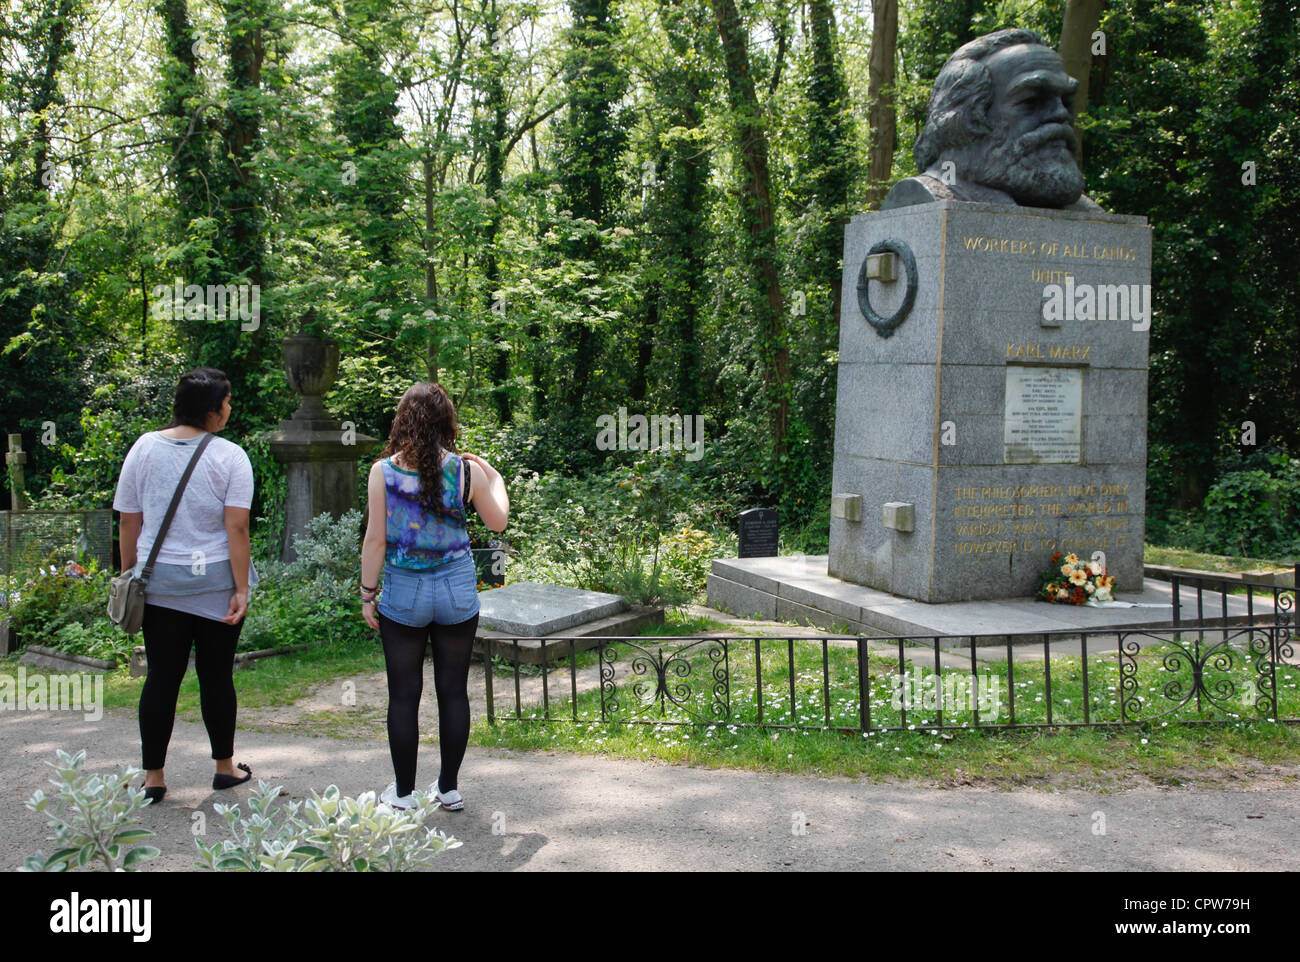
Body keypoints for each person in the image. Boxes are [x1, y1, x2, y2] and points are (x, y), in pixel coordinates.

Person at [361, 382, 509, 812]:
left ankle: (403, 794)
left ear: (403, 420)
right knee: (453, 692)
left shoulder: (383, 472)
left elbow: (375, 542)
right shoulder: (465, 471)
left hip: (404, 593)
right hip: (457, 590)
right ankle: (448, 789)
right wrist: (495, 477)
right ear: (447, 422)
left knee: (404, 695)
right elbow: (497, 522)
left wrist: (368, 594)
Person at [113, 367, 258, 804]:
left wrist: (130, 575)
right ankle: (223, 768)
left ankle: (154, 777)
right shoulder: (231, 456)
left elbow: (128, 521)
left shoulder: (144, 448)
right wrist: (241, 588)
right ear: (213, 412)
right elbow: (237, 529)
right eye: (227, 402)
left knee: (162, 677)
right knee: (216, 676)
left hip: (160, 586)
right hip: (215, 584)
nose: (230, 409)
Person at [882, 28, 1102, 212]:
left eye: (1065, 100)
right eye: (1033, 101)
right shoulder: (922, 198)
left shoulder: (1086, 212)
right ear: (966, 117)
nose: (1061, 113)